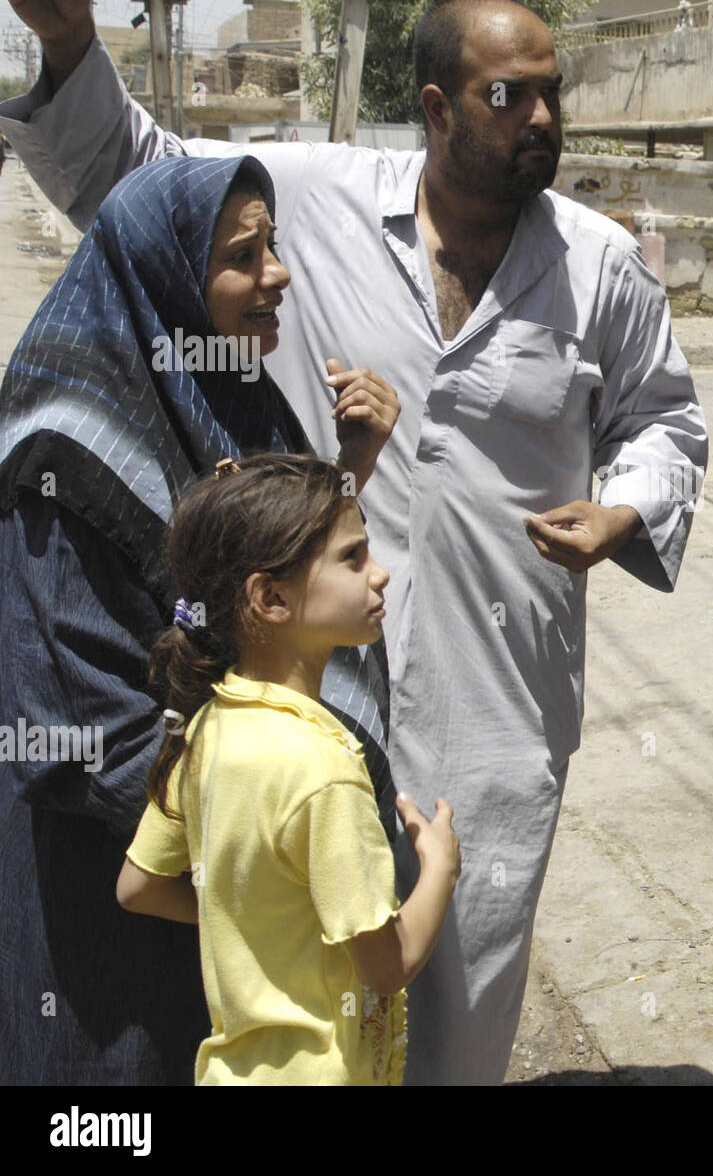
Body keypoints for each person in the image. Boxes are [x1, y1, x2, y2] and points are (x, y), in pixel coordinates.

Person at [0, 0, 707, 1084]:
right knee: (310, 979)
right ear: (434, 107)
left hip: (499, 697)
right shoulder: (314, 201)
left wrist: (625, 509)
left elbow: (667, 423)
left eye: (550, 95)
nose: (541, 119)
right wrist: (74, 45)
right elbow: (153, 193)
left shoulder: (603, 267)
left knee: (462, 994)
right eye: (506, 95)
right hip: (311, 680)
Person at [0, 154, 400, 1084]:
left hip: (214, 883)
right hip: (120, 897)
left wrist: (347, 470)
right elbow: (77, 723)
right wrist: (266, 831)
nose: (279, 272)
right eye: (243, 254)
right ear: (166, 276)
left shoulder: (222, 394)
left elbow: (260, 576)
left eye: (276, 244)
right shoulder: (66, 453)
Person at [118, 455, 461, 1085]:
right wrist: (439, 869)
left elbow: (138, 887)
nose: (380, 574)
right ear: (271, 597)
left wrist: (263, 917)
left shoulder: (204, 725)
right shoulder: (324, 769)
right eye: (353, 558)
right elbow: (388, 966)